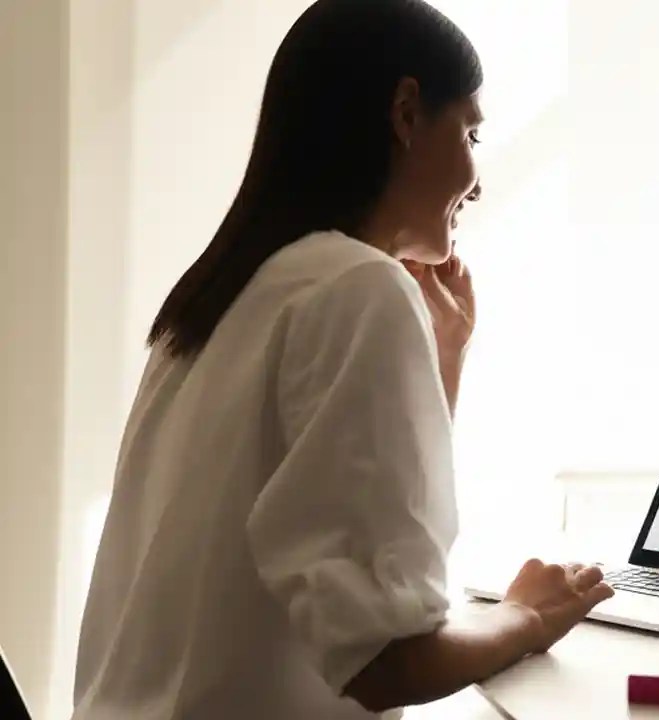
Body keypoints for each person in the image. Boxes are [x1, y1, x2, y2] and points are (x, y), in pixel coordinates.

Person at [71, 1, 613, 717]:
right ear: (407, 113)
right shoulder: (356, 285)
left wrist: (442, 355)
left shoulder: (227, 289)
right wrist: (528, 618)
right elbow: (388, 662)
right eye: (471, 132)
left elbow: (352, 511)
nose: (478, 181)